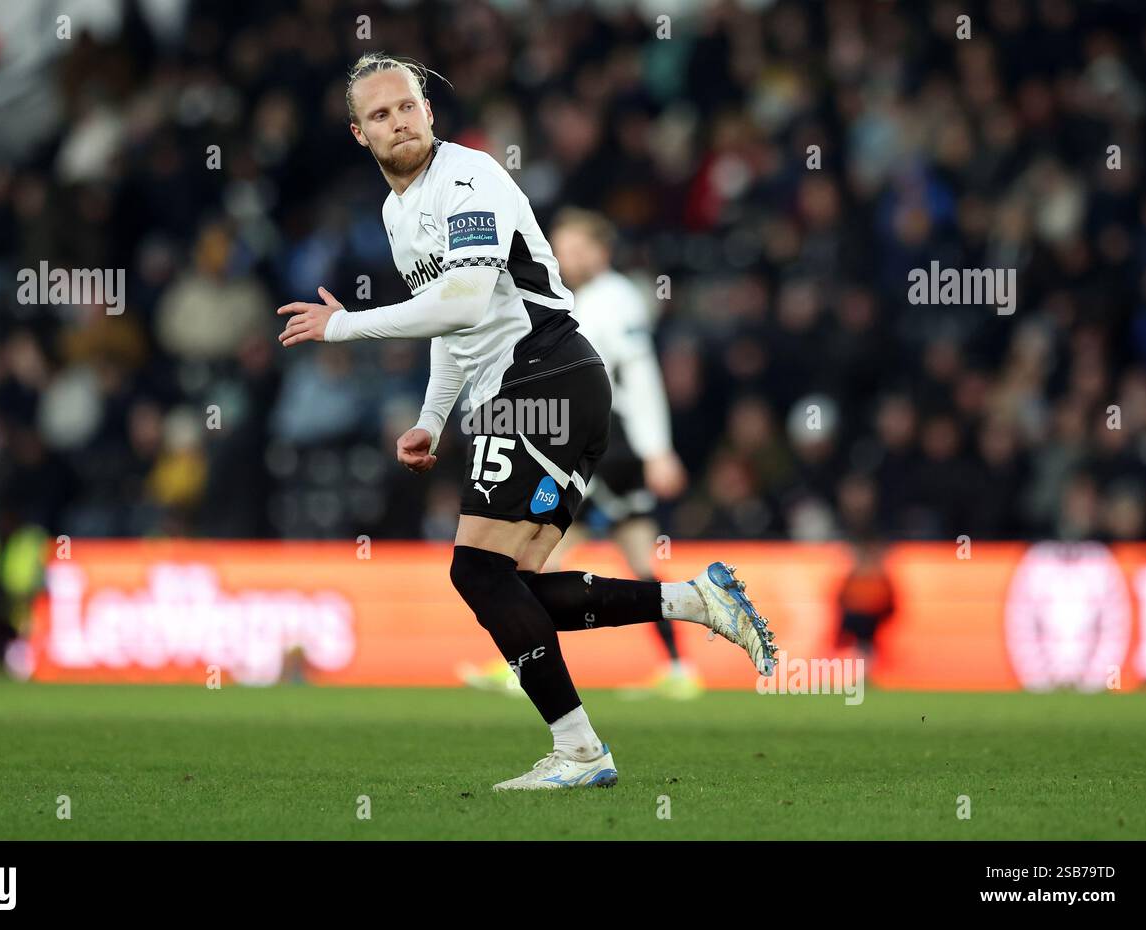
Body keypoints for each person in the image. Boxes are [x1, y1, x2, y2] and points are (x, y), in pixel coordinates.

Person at [277, 54, 776, 791]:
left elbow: (469, 302)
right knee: (508, 583)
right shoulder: (396, 213)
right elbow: (454, 330)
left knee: (476, 571)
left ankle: (580, 749)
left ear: (429, 112)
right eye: (380, 115)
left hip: (545, 375)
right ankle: (698, 603)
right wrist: (431, 417)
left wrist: (346, 327)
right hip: (532, 387)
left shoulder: (468, 178)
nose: (399, 122)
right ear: (359, 134)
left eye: (407, 106)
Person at [460, 208, 700, 700]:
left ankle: (522, 662)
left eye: (574, 249)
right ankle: (680, 663)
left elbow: (640, 375)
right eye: (560, 248)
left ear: (600, 251)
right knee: (637, 552)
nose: (563, 257)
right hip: (604, 442)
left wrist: (658, 451)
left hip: (609, 442)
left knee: (532, 550)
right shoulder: (578, 299)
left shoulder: (616, 299)